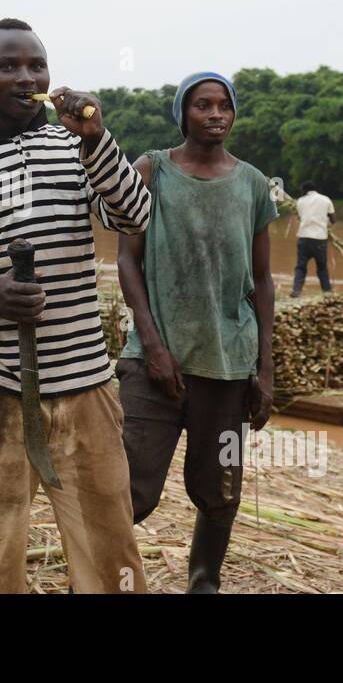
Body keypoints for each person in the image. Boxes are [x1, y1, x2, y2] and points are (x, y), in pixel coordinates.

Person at [0, 18, 151, 594]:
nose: (25, 76)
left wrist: (96, 141)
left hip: (85, 386)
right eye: (9, 66)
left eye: (36, 65)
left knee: (108, 545)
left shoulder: (75, 147)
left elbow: (136, 216)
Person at [115, 72, 278, 594]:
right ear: (182, 113)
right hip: (152, 365)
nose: (215, 114)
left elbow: (264, 281)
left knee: (221, 488)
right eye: (202, 105)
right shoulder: (151, 171)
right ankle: (99, 580)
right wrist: (155, 347)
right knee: (132, 489)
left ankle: (204, 581)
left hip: (229, 366)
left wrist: (265, 370)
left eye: (224, 105)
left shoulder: (252, 183)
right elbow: (127, 260)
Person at [290, 180, 336, 298]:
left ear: (304, 190)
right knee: (322, 267)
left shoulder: (300, 201)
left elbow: (301, 217)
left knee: (300, 267)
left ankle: (296, 291)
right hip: (320, 238)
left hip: (304, 238)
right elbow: (333, 219)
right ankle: (327, 292)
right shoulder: (326, 200)